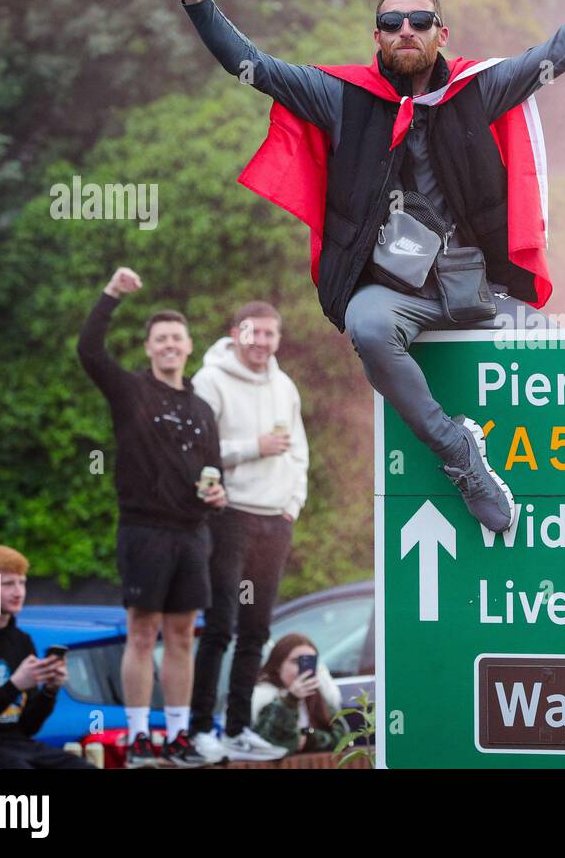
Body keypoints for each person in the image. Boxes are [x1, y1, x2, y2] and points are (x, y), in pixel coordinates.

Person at [164, 0, 565, 533]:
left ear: (440, 34)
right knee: (367, 326)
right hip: (396, 293)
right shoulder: (342, 97)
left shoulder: (478, 89)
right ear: (376, 36)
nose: (406, 31)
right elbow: (253, 68)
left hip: (476, 291)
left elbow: (559, 50)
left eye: (420, 21)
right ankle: (459, 455)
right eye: (392, 23)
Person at [77, 266, 227, 768]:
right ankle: (140, 736)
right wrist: (111, 295)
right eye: (159, 338)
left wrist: (218, 494)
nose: (168, 345)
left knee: (183, 635)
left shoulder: (203, 408)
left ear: (188, 347)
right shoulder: (130, 392)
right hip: (143, 530)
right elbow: (90, 353)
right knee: (142, 634)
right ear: (149, 348)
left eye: (176, 339)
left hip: (192, 534)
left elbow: (213, 469)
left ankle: (178, 736)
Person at [187, 301, 307, 763]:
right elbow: (197, 447)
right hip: (229, 515)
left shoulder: (284, 387)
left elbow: (299, 454)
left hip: (274, 521)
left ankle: (237, 729)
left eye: (269, 335)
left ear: (278, 339)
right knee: (219, 627)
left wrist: (291, 506)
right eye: (252, 333)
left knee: (256, 630)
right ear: (236, 333)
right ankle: (201, 729)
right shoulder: (209, 381)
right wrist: (252, 449)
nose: (260, 342)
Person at [0, 545, 93, 769]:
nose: (18, 592)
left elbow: (28, 726)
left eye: (22, 582)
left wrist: (50, 689)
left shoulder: (21, 640)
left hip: (20, 743)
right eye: (8, 584)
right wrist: (15, 684)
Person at [250, 634, 345, 756]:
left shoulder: (317, 694)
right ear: (278, 666)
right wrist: (291, 699)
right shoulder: (265, 696)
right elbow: (267, 740)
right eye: (296, 661)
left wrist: (311, 740)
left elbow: (343, 738)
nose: (303, 669)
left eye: (309, 662)